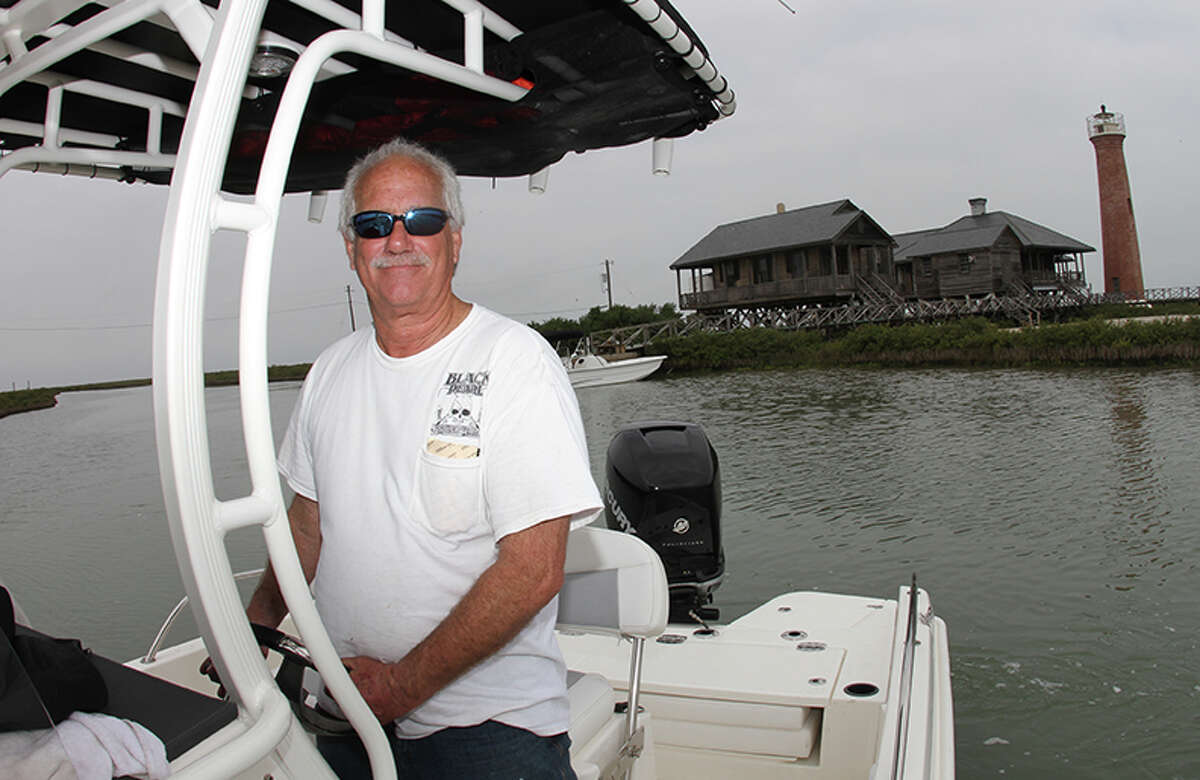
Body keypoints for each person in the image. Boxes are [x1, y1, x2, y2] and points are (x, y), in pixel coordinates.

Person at [241, 139, 601, 778]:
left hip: (491, 733)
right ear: (352, 249)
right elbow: (306, 527)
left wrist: (402, 687)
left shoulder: (515, 363)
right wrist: (258, 623)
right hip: (348, 715)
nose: (398, 240)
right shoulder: (328, 372)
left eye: (423, 221)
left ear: (455, 240)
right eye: (374, 225)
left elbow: (533, 571)